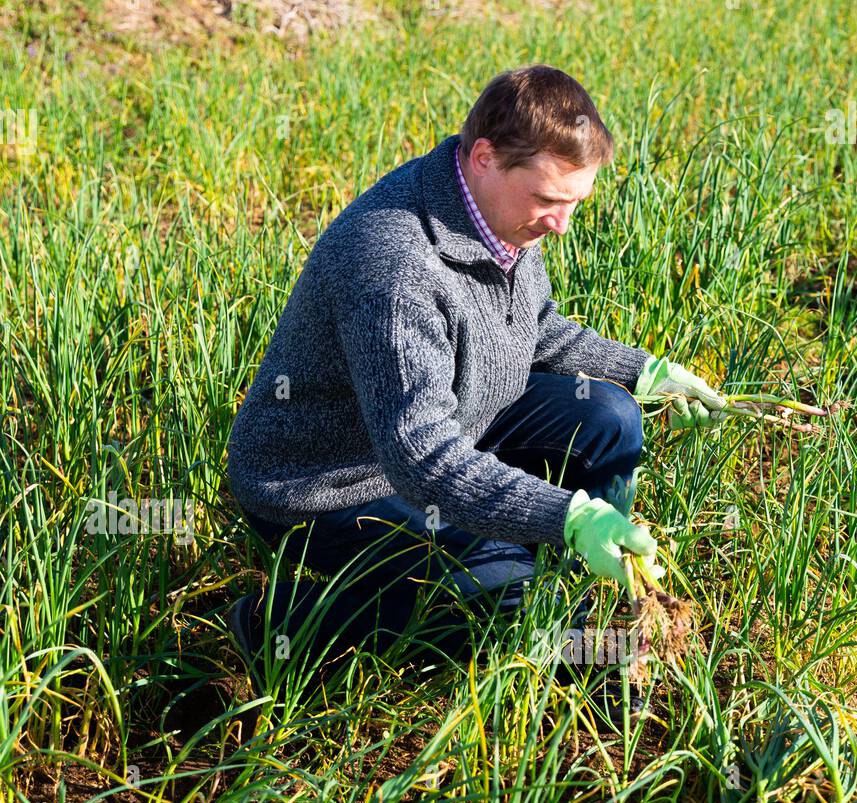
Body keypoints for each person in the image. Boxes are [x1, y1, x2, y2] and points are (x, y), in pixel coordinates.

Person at [224, 64, 726, 701]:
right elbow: (423, 462)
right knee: (503, 601)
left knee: (611, 418)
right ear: (485, 157)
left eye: (575, 204)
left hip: (456, 419)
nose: (561, 224)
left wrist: (648, 374)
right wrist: (566, 514)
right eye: (550, 201)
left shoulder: (505, 212)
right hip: (332, 483)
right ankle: (285, 623)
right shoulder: (393, 260)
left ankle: (581, 586)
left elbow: (534, 328)